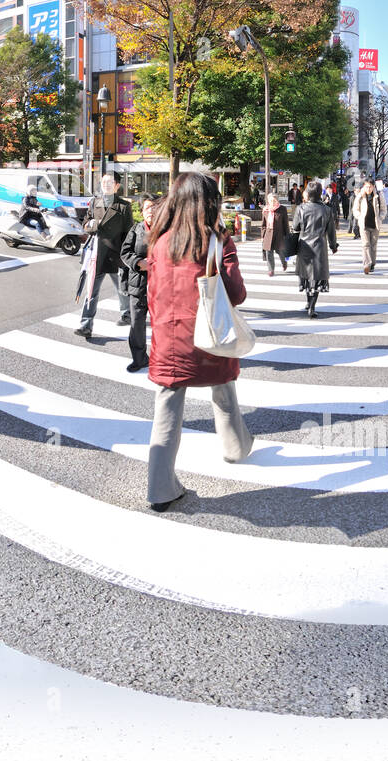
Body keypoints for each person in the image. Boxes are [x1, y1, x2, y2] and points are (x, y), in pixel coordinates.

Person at [138, 171, 255, 512]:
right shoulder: (215, 241)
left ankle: (160, 489)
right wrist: (227, 256)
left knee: (167, 409)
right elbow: (237, 294)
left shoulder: (159, 241)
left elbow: (154, 293)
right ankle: (235, 448)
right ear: (210, 202)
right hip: (209, 334)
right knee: (224, 391)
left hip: (169, 336)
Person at [76, 175, 137, 344]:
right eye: (104, 182)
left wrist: (127, 254)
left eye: (110, 182)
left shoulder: (124, 206)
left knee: (122, 290)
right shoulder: (94, 202)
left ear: (117, 186)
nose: (106, 185)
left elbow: (128, 232)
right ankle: (86, 325)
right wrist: (95, 225)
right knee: (91, 291)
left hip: (116, 255)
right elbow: (86, 224)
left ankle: (127, 314)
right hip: (98, 254)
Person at [291, 180, 335, 316]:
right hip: (320, 246)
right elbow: (331, 231)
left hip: (304, 245)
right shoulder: (327, 210)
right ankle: (312, 307)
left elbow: (296, 227)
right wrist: (333, 245)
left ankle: (308, 302)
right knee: (317, 276)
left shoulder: (301, 209)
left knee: (306, 275)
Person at [259, 187, 290, 276]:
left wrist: (287, 235)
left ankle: (284, 262)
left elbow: (285, 223)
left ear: (277, 200)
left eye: (274, 200)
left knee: (280, 251)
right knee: (269, 252)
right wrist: (262, 235)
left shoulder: (282, 209)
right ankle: (271, 270)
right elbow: (263, 224)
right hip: (268, 234)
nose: (272, 202)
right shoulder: (265, 210)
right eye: (270, 200)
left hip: (279, 234)